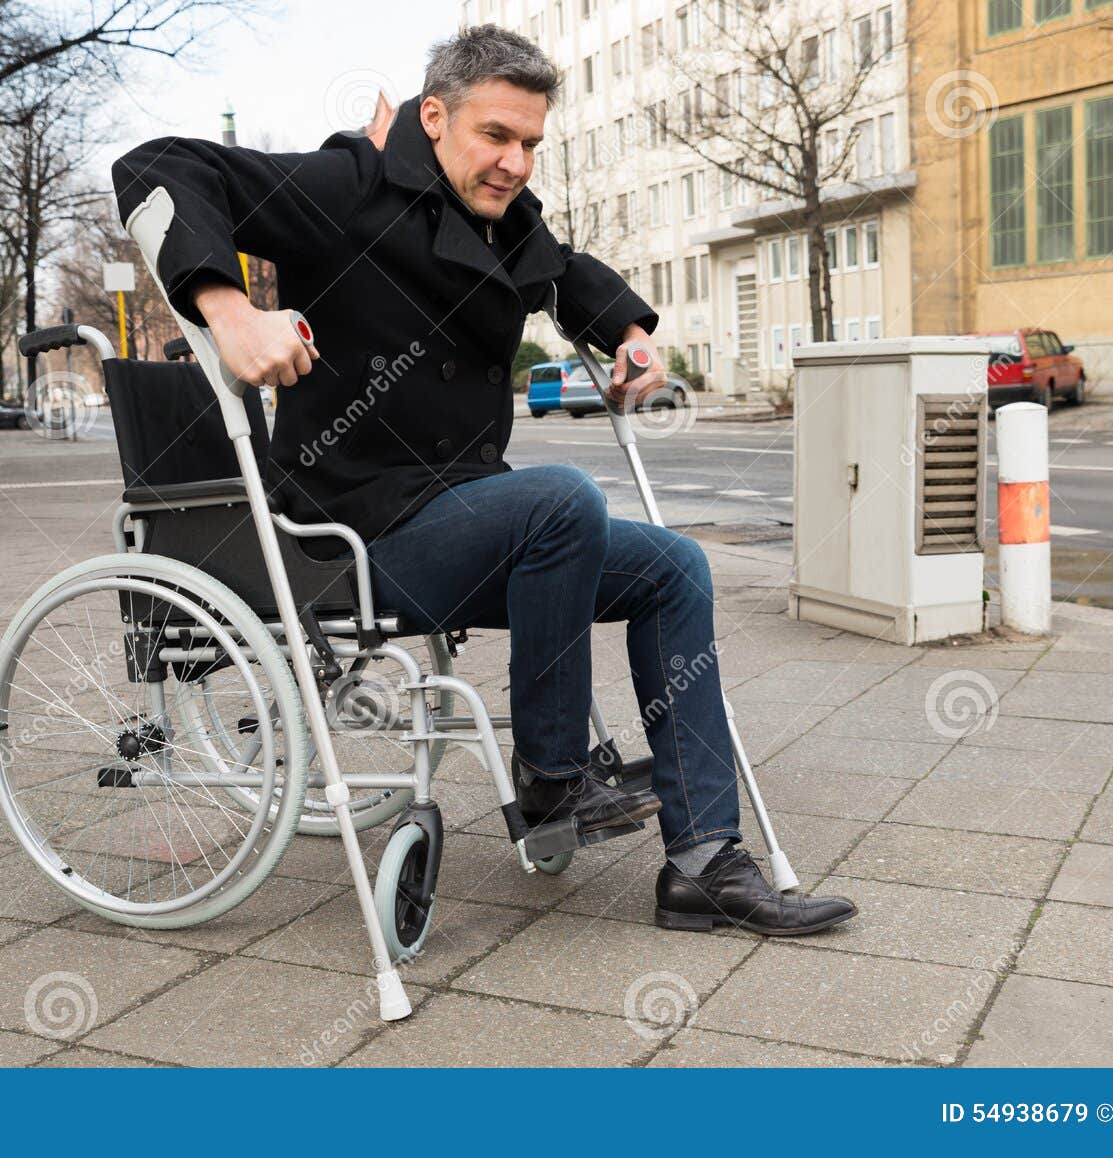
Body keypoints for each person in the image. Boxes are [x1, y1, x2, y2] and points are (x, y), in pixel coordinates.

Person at [112, 24, 857, 936]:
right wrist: (229, 310)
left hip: (468, 517)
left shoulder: (503, 220)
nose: (514, 161)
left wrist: (628, 333)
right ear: (434, 116)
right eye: (495, 136)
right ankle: (553, 777)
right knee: (559, 501)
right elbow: (157, 165)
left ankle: (701, 859)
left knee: (674, 566)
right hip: (356, 533)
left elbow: (566, 274)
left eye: (532, 143)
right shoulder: (347, 186)